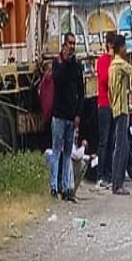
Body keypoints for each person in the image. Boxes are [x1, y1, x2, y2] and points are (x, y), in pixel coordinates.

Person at [50, 32, 85, 202]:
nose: (72, 46)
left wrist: (78, 113)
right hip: (59, 114)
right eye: (69, 43)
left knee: (67, 153)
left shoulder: (77, 66)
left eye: (74, 43)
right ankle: (53, 186)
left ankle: (66, 188)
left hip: (71, 116)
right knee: (57, 151)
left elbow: (81, 91)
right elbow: (58, 80)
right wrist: (63, 60)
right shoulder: (57, 63)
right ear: (64, 45)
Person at [108, 34, 132, 195]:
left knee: (123, 146)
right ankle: (117, 184)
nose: (126, 49)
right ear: (120, 48)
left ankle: (117, 182)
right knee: (120, 147)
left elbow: (110, 91)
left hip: (116, 108)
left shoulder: (112, 66)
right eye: (125, 47)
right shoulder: (120, 64)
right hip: (121, 110)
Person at [95, 31, 117, 190]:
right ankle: (100, 175)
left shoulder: (117, 61)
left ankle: (109, 174)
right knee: (103, 141)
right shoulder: (103, 60)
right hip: (104, 104)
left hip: (114, 104)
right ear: (109, 44)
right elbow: (104, 80)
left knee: (111, 142)